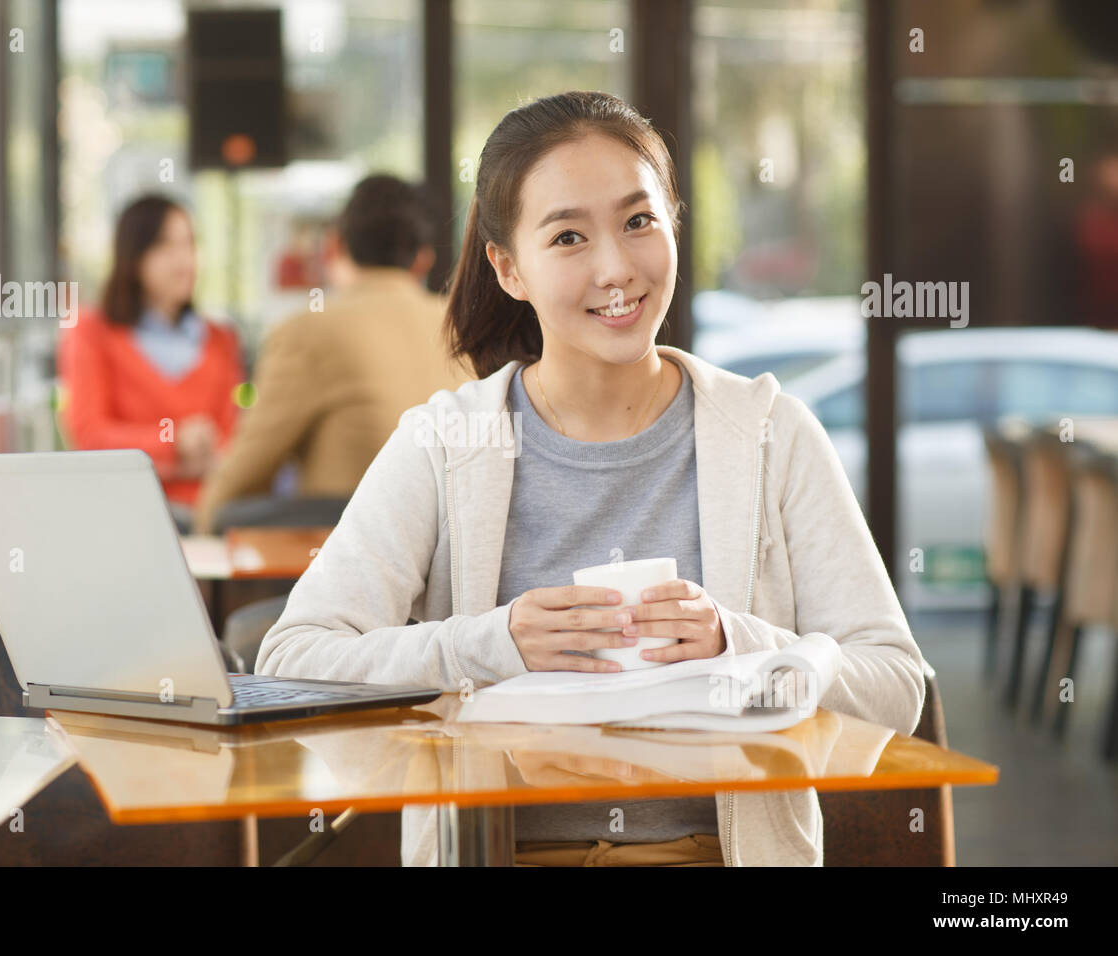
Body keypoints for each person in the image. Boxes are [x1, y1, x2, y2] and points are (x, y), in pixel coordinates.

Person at [251, 91, 928, 867]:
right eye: (568, 236)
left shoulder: (772, 434)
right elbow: (295, 663)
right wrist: (492, 643)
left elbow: (895, 685)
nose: (616, 267)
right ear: (509, 268)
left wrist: (733, 644)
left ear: (673, 222)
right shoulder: (446, 442)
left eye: (640, 221)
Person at [192, 174, 475, 533]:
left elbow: (249, 467)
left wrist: (202, 529)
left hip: (346, 557)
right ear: (423, 259)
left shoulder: (308, 332)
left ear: (334, 246)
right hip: (452, 552)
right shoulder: (463, 324)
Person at [57, 195, 244, 523]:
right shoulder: (92, 332)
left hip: (212, 516)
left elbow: (231, 445)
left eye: (190, 244)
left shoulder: (221, 339)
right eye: (166, 246)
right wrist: (175, 443)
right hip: (126, 513)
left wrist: (152, 456)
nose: (185, 261)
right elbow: (91, 437)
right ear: (134, 256)